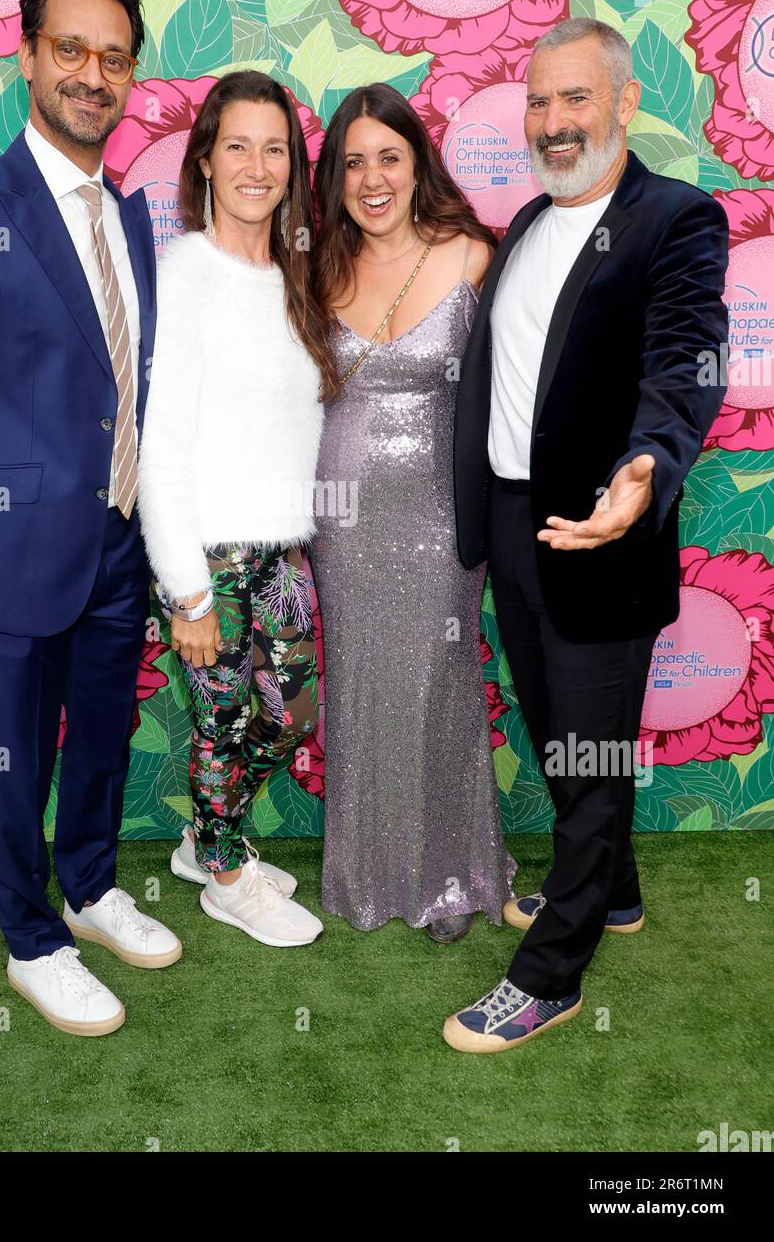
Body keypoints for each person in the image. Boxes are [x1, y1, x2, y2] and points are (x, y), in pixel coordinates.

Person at [0, 0, 182, 1039]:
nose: (92, 75)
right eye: (70, 49)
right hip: (6, 555)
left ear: (131, 74)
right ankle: (31, 939)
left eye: (114, 57)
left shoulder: (130, 217)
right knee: (14, 754)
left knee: (101, 733)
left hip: (116, 540)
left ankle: (91, 887)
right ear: (26, 56)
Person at [446, 18, 729, 1052]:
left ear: (624, 104)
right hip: (512, 523)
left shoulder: (675, 219)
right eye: (538, 101)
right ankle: (612, 889)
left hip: (604, 530)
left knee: (593, 747)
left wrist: (644, 465)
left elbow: (686, 359)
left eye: (575, 98)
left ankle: (550, 974)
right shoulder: (527, 220)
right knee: (558, 732)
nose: (553, 121)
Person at [308, 83, 516, 941]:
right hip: (340, 517)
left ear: (416, 163)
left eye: (387, 157)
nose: (372, 178)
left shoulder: (471, 256)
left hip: (439, 510)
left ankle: (450, 874)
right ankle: (367, 871)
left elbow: (517, 386)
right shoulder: (316, 268)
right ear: (335, 177)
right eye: (353, 162)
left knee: (439, 680)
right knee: (359, 683)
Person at [137, 70, 337, 947]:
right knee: (220, 723)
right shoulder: (185, 273)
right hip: (207, 550)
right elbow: (160, 440)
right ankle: (223, 873)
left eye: (275, 149)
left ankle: (203, 840)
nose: (257, 166)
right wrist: (186, 589)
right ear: (206, 162)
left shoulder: (297, 276)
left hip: (281, 546)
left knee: (290, 715)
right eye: (237, 147)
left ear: (292, 166)